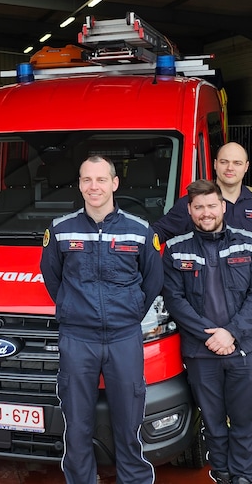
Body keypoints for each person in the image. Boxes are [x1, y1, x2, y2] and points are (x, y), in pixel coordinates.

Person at [152, 141, 252, 479]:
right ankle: (223, 475)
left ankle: (246, 476)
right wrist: (210, 335)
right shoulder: (176, 250)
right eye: (199, 207)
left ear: (222, 206)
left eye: (212, 205)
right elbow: (175, 300)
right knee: (213, 424)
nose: (206, 213)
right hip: (201, 351)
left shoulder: (249, 243)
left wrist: (231, 333)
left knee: (242, 423)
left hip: (243, 348)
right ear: (189, 210)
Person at [39, 156, 162, 484]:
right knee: (77, 423)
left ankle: (133, 479)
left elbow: (152, 280)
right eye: (87, 180)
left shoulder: (139, 230)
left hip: (124, 337)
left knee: (129, 419)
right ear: (80, 185)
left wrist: (131, 311)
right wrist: (74, 309)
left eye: (101, 179)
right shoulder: (60, 229)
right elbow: (53, 278)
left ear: (114, 183)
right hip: (77, 338)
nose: (94, 187)